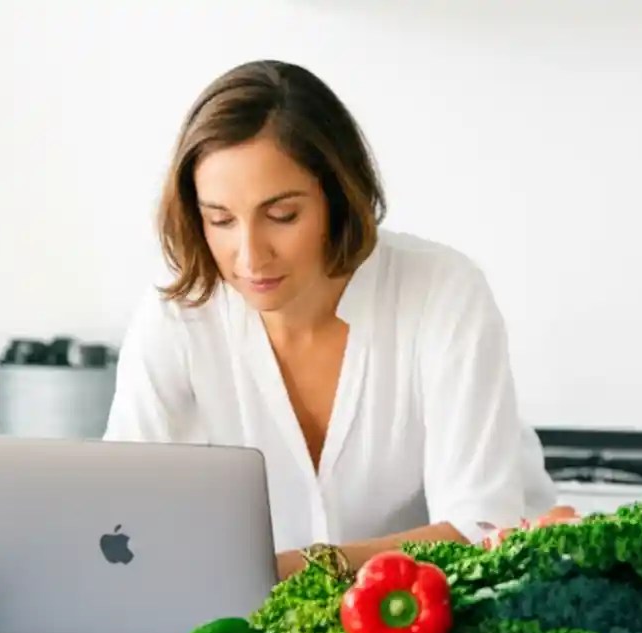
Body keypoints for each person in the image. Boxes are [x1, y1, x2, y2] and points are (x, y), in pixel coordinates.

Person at [103, 59, 560, 579]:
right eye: (221, 220)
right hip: (272, 631)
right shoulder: (177, 317)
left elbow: (483, 530)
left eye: (282, 216)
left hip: (472, 613)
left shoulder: (442, 292)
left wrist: (277, 573)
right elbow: (121, 521)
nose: (250, 256)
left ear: (338, 198)